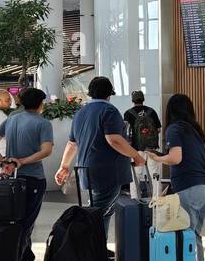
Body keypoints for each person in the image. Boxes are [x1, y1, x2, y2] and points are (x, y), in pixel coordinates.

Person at [54, 77, 145, 236]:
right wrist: (136, 156)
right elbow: (114, 140)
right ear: (110, 93)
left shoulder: (81, 112)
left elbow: (72, 143)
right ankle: (91, 251)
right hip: (107, 171)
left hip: (86, 170)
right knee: (98, 213)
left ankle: (98, 249)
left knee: (102, 211)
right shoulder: (109, 111)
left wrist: (64, 166)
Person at [148, 93, 205, 261]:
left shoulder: (174, 129)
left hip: (189, 187)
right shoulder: (194, 130)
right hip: (204, 187)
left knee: (187, 237)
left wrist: (157, 157)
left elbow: (176, 158)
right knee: (195, 236)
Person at [0, 87, 53, 261]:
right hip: (32, 178)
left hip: (12, 180)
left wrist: (3, 161)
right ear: (40, 105)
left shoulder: (12, 119)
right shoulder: (42, 123)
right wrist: (23, 161)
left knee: (15, 221)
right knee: (25, 225)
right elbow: (46, 150)